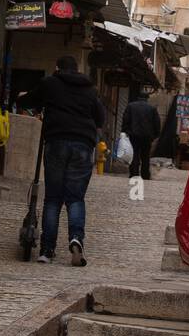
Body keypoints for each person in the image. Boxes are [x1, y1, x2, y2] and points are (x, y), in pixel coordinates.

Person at [17, 55, 105, 265]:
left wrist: (21, 97)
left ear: (57, 68)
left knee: (53, 198)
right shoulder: (90, 89)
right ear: (76, 70)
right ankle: (76, 238)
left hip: (56, 142)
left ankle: (47, 250)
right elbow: (100, 118)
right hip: (83, 145)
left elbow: (29, 101)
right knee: (75, 198)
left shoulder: (50, 84)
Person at [121, 88, 161, 181]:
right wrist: (155, 135)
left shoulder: (131, 106)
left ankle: (134, 174)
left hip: (133, 135)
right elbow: (157, 123)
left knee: (134, 155)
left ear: (138, 97)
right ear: (147, 98)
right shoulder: (152, 108)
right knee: (145, 156)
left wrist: (125, 132)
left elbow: (125, 120)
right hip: (147, 137)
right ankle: (145, 175)